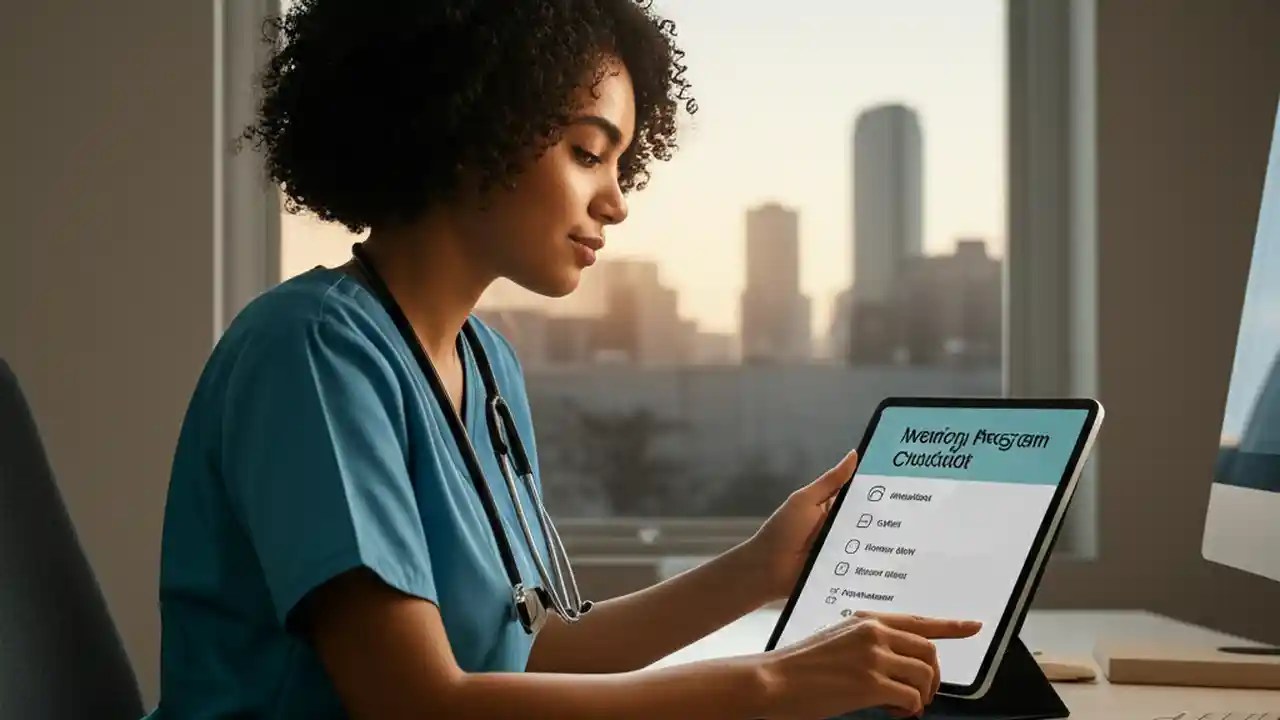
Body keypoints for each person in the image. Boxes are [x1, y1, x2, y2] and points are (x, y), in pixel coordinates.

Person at [151, 1, 981, 718]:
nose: (616, 202)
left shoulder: (490, 367)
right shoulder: (311, 350)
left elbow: (536, 655)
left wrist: (760, 569)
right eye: (589, 153)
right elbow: (415, 704)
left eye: (622, 163)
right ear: (472, 126)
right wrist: (771, 686)